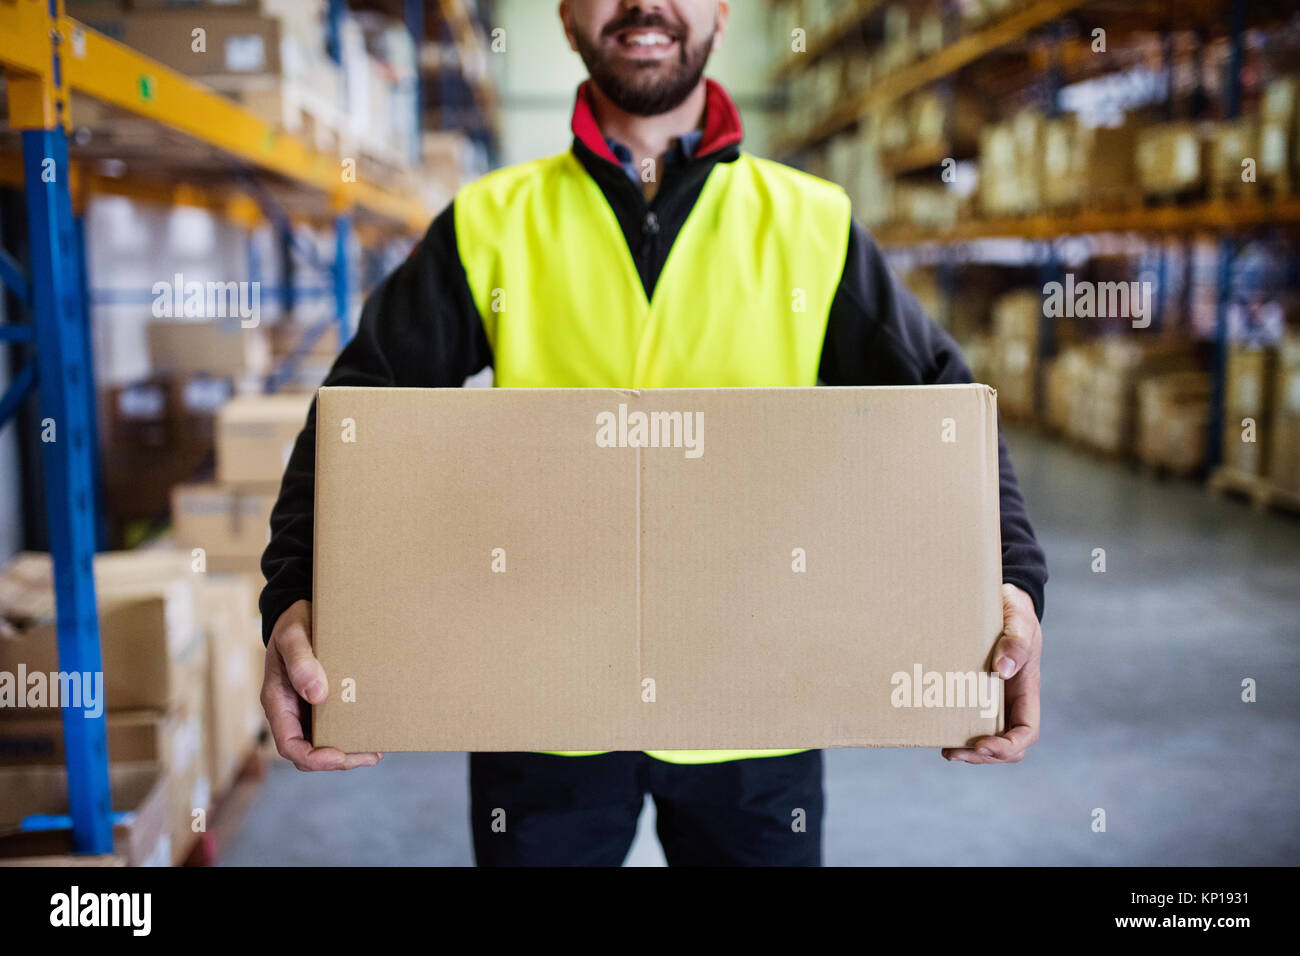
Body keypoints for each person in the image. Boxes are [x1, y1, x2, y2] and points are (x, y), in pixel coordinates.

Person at [259, 0, 1048, 867]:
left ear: (718, 10)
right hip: (542, 708)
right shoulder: (491, 223)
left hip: (757, 707)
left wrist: (1010, 588)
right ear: (564, 16)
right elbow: (358, 413)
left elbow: (945, 410)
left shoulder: (809, 225)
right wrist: (296, 595)